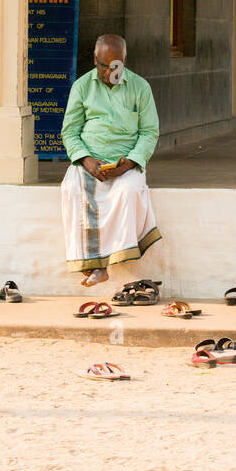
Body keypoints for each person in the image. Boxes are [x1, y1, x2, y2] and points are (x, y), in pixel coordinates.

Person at [60, 34, 160, 287]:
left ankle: (109, 260)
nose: (109, 71)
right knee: (72, 189)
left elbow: (149, 132)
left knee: (127, 191)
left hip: (125, 162)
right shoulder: (82, 87)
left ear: (124, 61)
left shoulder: (140, 87)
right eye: (104, 65)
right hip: (89, 161)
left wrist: (132, 161)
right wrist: (86, 160)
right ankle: (94, 265)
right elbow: (70, 132)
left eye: (116, 65)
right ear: (95, 60)